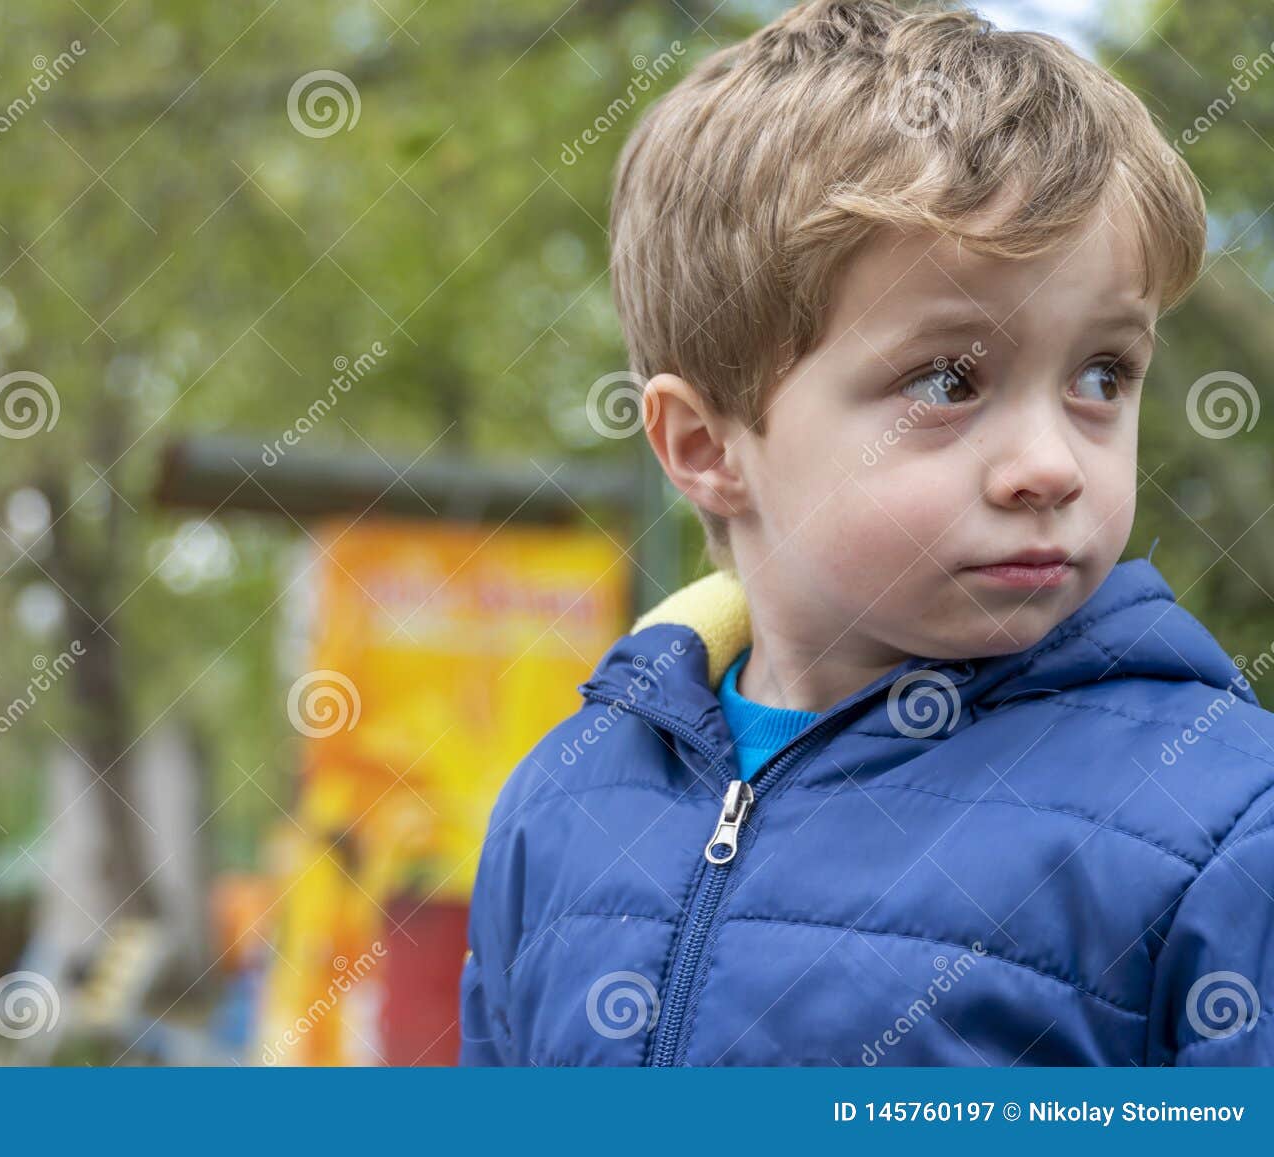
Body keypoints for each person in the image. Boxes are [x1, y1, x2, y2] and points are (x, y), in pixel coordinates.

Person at [459, 0, 1274, 1065]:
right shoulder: (560, 808)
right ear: (705, 445)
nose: (1050, 464)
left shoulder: (1223, 822)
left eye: (1100, 374)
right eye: (947, 380)